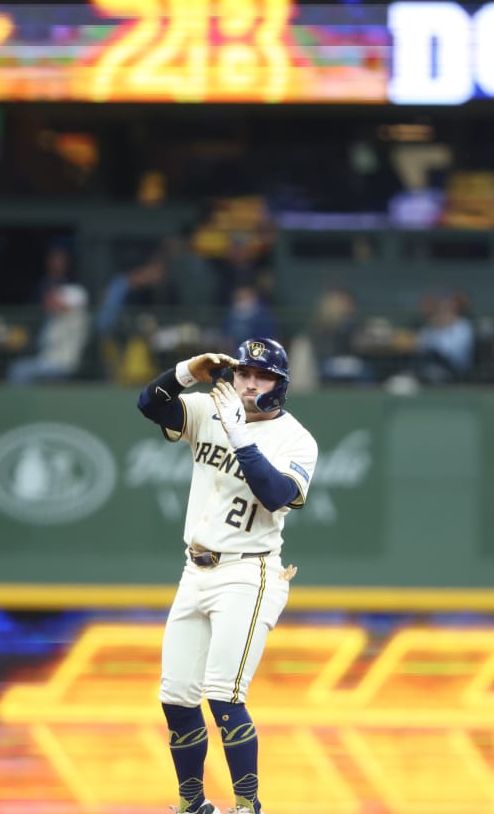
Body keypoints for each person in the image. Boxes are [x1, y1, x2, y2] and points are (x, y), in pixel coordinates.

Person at [135, 337, 319, 814]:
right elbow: (148, 405)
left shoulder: (296, 439)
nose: (249, 383)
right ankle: (192, 804)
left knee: (224, 696)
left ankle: (246, 806)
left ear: (280, 386)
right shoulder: (209, 409)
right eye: (243, 373)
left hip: (249, 572)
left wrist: (241, 436)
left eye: (262, 377)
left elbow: (279, 494)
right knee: (176, 696)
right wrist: (184, 373)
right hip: (194, 569)